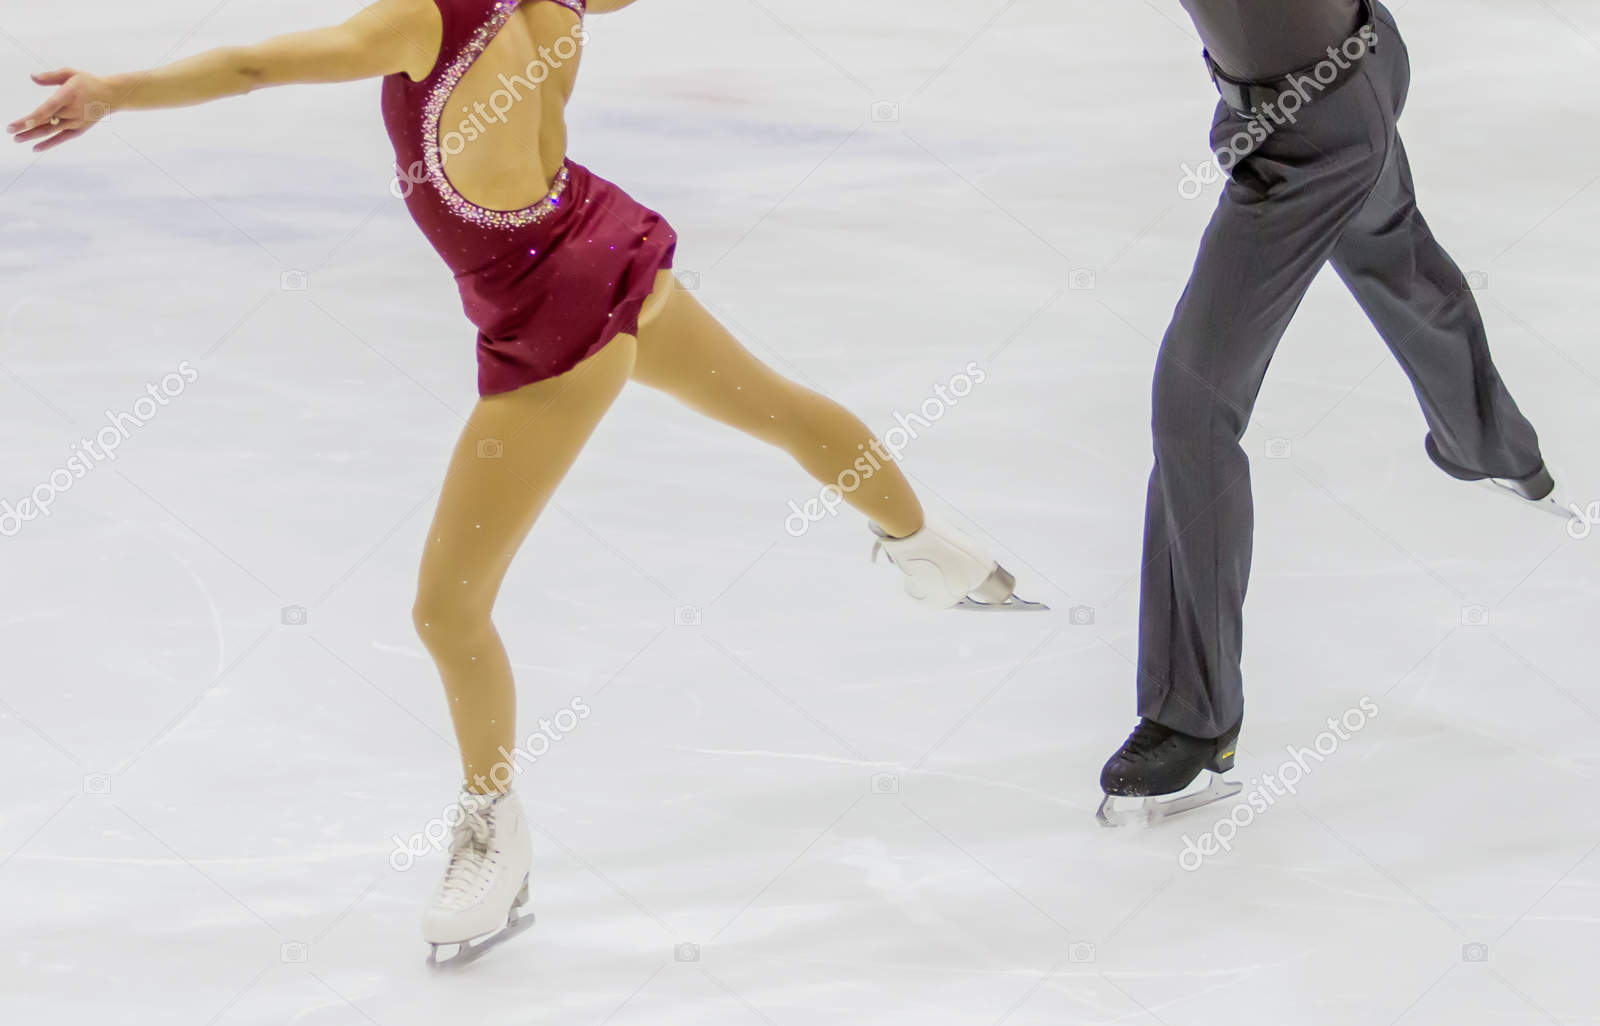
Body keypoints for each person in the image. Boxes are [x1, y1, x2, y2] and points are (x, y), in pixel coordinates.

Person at [9, 0, 1038, 962]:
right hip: (597, 235)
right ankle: (935, 552)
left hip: (558, 320)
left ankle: (493, 835)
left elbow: (250, 64)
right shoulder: (548, 8)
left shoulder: (429, 18)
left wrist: (115, 90)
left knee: (447, 610)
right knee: (776, 407)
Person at [1097, 0, 1567, 827]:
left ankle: (1195, 720)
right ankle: (1492, 444)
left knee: (1193, 406)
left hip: (1312, 135)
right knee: (1390, 252)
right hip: (1351, 76)